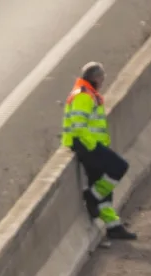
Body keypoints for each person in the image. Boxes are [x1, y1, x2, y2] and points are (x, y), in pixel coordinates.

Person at [62, 62, 135, 241]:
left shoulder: (88, 94)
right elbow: (78, 126)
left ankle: (113, 226)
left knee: (103, 186)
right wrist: (93, 146)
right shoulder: (83, 95)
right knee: (119, 167)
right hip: (87, 145)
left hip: (90, 144)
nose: (103, 82)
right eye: (102, 78)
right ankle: (92, 196)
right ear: (96, 78)